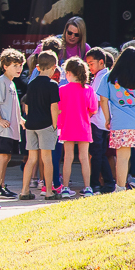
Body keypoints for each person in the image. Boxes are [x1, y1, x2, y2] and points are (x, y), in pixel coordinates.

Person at [100, 46, 135, 190]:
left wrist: (107, 119)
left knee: (122, 157)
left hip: (119, 123)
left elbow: (103, 100)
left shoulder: (108, 78)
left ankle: (120, 187)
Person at [21, 50, 60, 197]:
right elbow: (54, 107)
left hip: (31, 125)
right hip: (46, 124)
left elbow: (27, 105)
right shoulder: (52, 85)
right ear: (54, 67)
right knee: (47, 158)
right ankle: (49, 191)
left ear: (37, 67)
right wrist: (54, 125)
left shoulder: (31, 84)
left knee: (31, 159)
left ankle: (24, 191)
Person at [0, 48, 26, 198]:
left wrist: (20, 119)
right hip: (3, 128)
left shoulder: (11, 83)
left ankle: (2, 186)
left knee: (7, 157)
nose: (19, 68)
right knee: (2, 156)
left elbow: (14, 106)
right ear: (5, 66)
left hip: (12, 128)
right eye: (15, 65)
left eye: (20, 65)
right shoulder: (0, 82)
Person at [56, 57, 95, 196]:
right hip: (84, 127)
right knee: (84, 157)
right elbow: (93, 109)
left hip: (67, 126)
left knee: (68, 157)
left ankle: (65, 187)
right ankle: (88, 187)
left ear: (68, 73)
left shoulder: (62, 90)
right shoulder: (88, 89)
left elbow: (58, 109)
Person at [86, 47, 115, 193]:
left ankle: (95, 184)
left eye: (91, 64)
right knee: (101, 153)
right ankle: (108, 182)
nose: (89, 67)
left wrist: (87, 116)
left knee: (96, 154)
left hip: (97, 120)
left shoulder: (100, 77)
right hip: (104, 120)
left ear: (101, 62)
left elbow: (96, 102)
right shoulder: (108, 75)